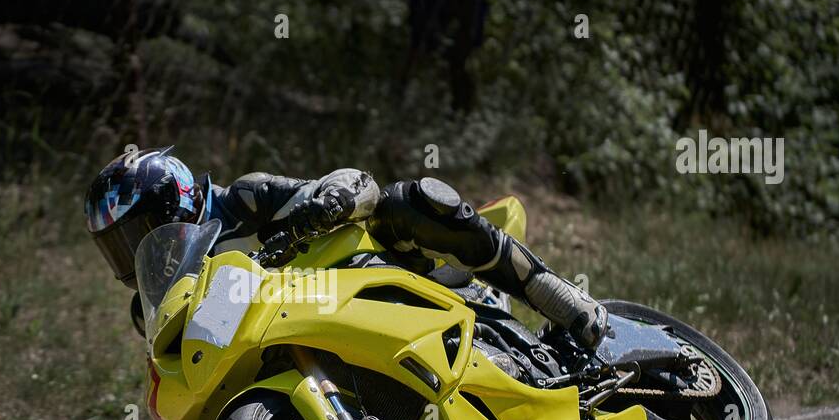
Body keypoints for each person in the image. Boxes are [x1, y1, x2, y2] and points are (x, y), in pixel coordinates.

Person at [84, 147, 607, 350]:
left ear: (176, 200)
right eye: (119, 246)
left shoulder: (243, 200)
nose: (135, 251)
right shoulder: (156, 304)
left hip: (380, 274)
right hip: (308, 332)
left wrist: (324, 204)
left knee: (411, 201)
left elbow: (358, 183)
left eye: (140, 230)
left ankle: (559, 295)